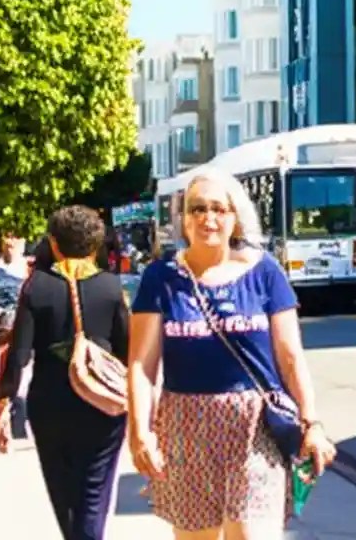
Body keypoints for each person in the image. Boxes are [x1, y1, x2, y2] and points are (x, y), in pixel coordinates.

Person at [126, 169, 336, 537]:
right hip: (185, 428)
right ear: (184, 219)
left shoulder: (265, 273)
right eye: (197, 209)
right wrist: (139, 431)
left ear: (234, 216)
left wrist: (311, 421)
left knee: (252, 533)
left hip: (254, 427)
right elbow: (142, 365)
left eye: (218, 209)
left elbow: (290, 357)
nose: (208, 219)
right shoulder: (161, 278)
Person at [0, 206, 130, 540]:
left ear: (53, 244)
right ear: (96, 244)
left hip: (49, 404)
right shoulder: (111, 288)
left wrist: (4, 401)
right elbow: (128, 350)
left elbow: (20, 354)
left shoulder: (35, 287)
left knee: (62, 491)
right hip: (102, 404)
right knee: (94, 494)